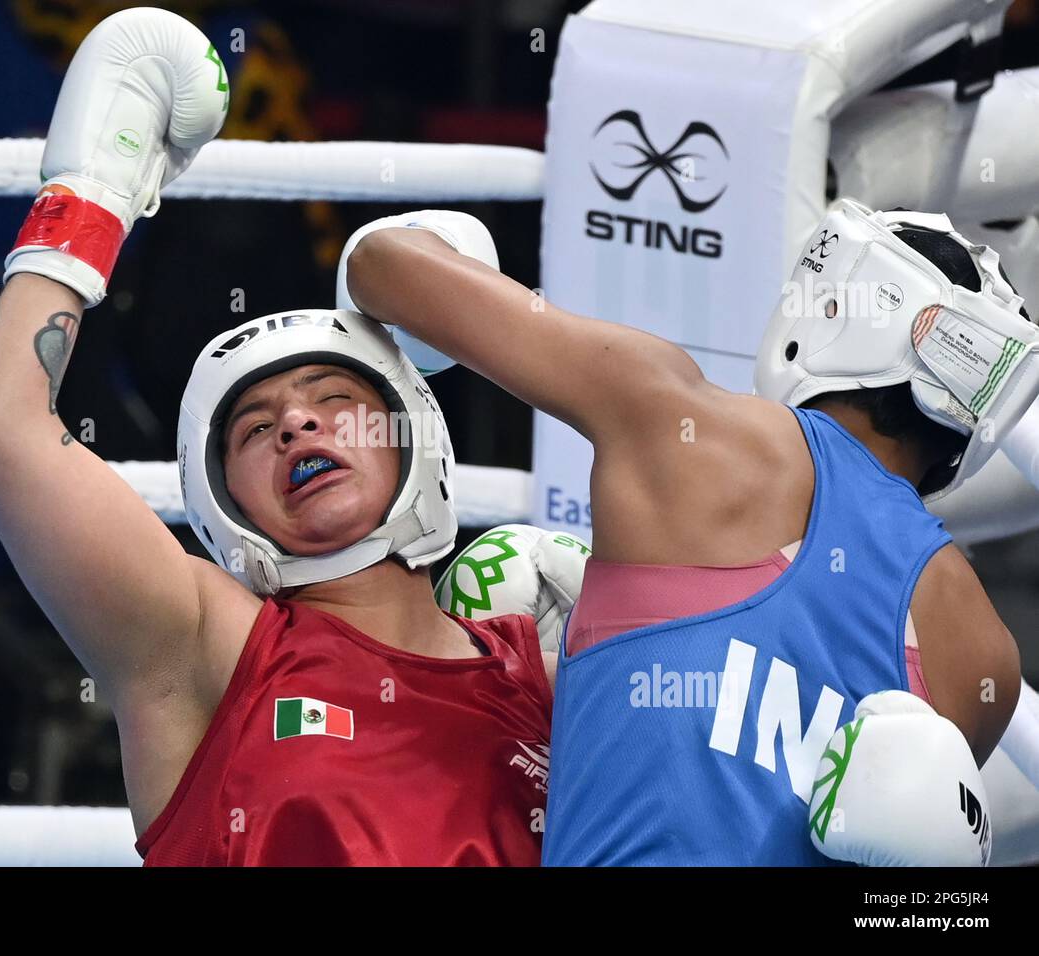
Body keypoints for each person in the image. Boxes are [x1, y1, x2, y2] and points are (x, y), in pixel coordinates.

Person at [0, 8, 553, 866]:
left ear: (410, 428)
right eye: (256, 429)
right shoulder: (206, 644)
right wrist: (88, 198)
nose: (298, 424)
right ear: (224, 499)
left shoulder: (541, 660)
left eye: (331, 397)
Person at [342, 199, 1039, 866]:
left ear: (834, 306)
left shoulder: (688, 424)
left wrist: (449, 246)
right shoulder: (985, 656)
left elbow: (382, 263)